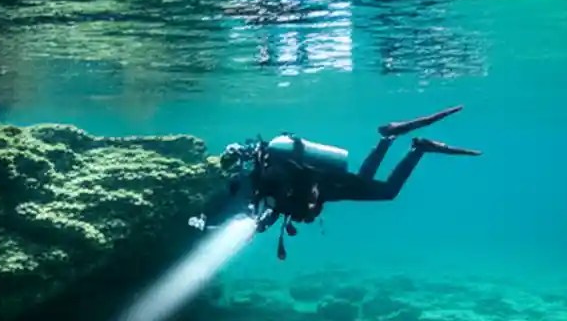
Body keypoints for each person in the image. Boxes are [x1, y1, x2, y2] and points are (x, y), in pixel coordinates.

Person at [192, 105, 480, 259]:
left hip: (324, 186)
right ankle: (389, 137)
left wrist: (251, 223)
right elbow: (275, 208)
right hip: (325, 186)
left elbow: (275, 206)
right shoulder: (264, 174)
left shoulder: (262, 182)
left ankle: (417, 148)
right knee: (364, 180)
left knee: (387, 192)